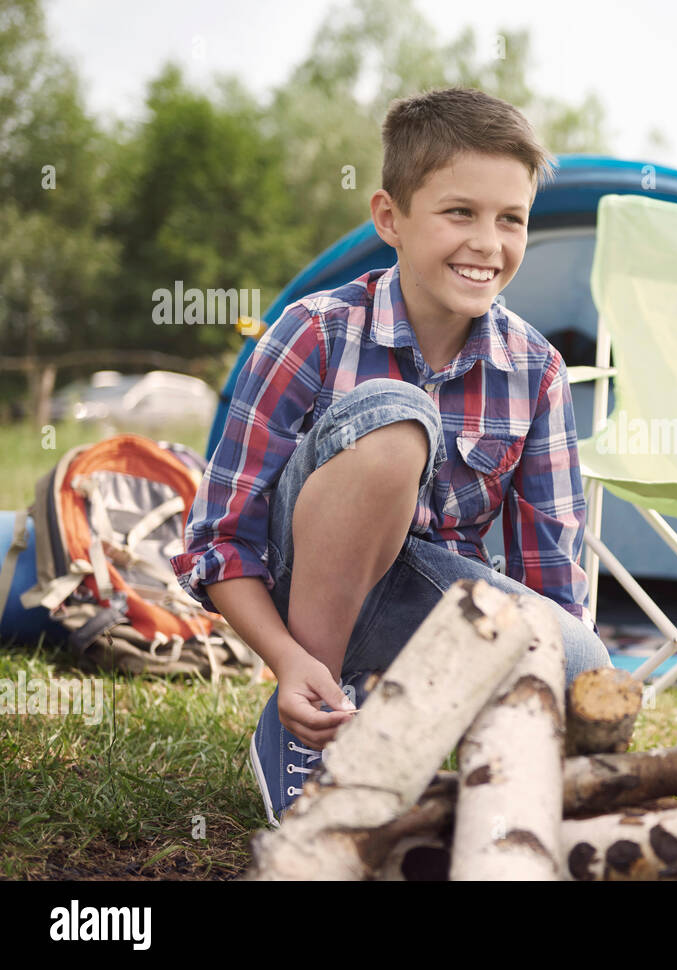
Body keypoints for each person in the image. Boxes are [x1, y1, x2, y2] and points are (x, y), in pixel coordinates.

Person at [171, 87, 610, 827]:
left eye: (512, 220)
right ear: (390, 219)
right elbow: (220, 543)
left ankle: (392, 713)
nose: (488, 244)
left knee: (579, 663)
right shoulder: (310, 332)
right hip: (300, 586)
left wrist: (546, 682)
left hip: (425, 606)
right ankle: (311, 719)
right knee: (398, 423)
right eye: (460, 213)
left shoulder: (536, 369)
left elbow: (552, 580)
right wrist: (286, 660)